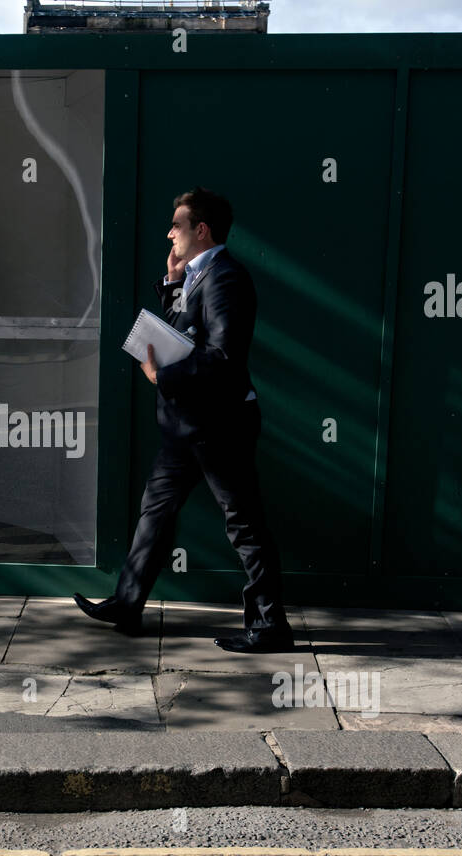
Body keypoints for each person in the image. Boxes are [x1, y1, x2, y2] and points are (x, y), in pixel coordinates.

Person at [73, 187, 292, 653]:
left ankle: (271, 626)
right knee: (154, 511)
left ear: (201, 229)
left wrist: (161, 375)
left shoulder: (225, 278)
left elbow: (223, 355)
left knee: (244, 524)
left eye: (177, 224)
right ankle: (127, 603)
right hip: (186, 427)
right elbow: (182, 330)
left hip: (220, 426)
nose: (169, 232)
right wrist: (172, 285)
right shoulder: (196, 275)